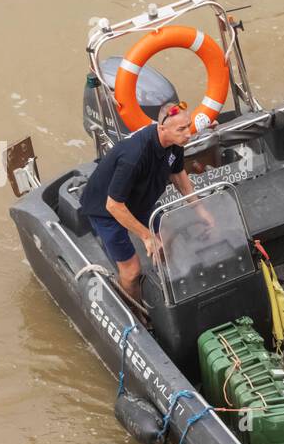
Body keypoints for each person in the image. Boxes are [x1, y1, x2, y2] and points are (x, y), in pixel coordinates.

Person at [78, 102, 199, 303]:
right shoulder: (134, 156)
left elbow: (179, 177)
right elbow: (113, 205)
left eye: (189, 126)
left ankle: (164, 284)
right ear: (162, 129)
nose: (188, 134)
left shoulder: (175, 144)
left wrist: (201, 209)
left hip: (139, 201)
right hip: (107, 210)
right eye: (182, 129)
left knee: (168, 238)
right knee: (132, 271)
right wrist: (147, 237)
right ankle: (135, 311)